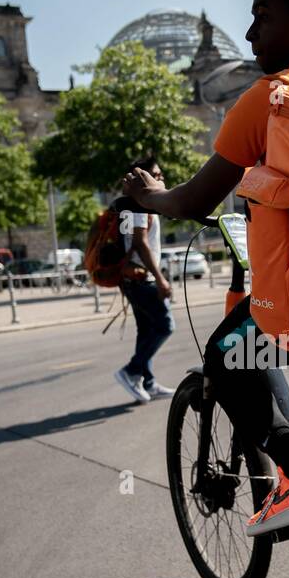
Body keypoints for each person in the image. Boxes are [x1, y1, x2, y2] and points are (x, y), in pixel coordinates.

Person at [124, 0, 289, 536]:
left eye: (263, 17)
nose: (251, 32)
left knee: (230, 353)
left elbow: (195, 199)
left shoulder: (270, 98)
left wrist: (150, 195)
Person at [112, 156, 176, 404]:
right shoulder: (138, 204)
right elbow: (139, 242)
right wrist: (160, 279)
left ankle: (147, 382)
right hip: (141, 278)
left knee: (146, 329)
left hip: (132, 278)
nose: (161, 179)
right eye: (157, 175)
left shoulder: (133, 204)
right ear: (143, 178)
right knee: (165, 325)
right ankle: (131, 371)